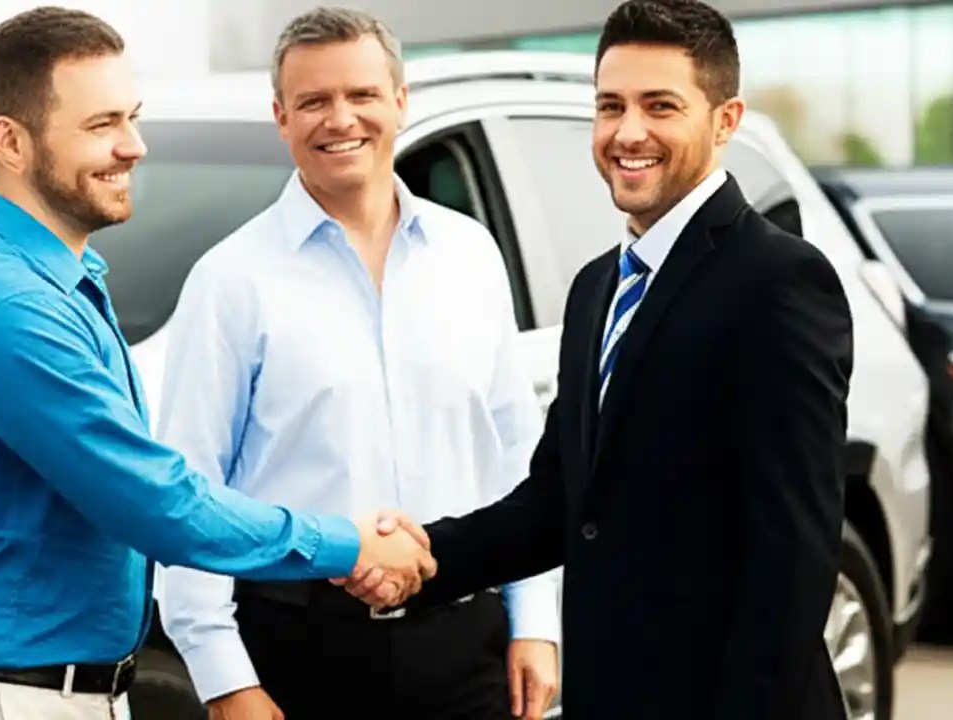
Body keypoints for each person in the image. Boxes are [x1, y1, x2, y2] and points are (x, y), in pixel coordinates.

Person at [0, 7, 433, 720]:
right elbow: (157, 503)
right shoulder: (8, 305)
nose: (134, 146)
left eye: (132, 117)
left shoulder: (55, 278)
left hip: (43, 693)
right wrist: (349, 543)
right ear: (10, 142)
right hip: (3, 701)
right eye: (101, 124)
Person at [349, 1, 855, 719]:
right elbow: (560, 504)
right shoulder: (597, 288)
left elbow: (794, 556)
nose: (628, 132)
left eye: (660, 106)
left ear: (726, 120)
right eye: (610, 105)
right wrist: (424, 556)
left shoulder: (779, 282)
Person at [156, 7, 561, 720]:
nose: (340, 119)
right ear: (281, 117)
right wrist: (225, 679)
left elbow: (518, 460)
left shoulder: (471, 257)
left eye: (362, 95)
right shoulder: (230, 282)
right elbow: (190, 499)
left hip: (467, 648)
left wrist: (534, 622)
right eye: (313, 101)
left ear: (400, 102)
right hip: (296, 652)